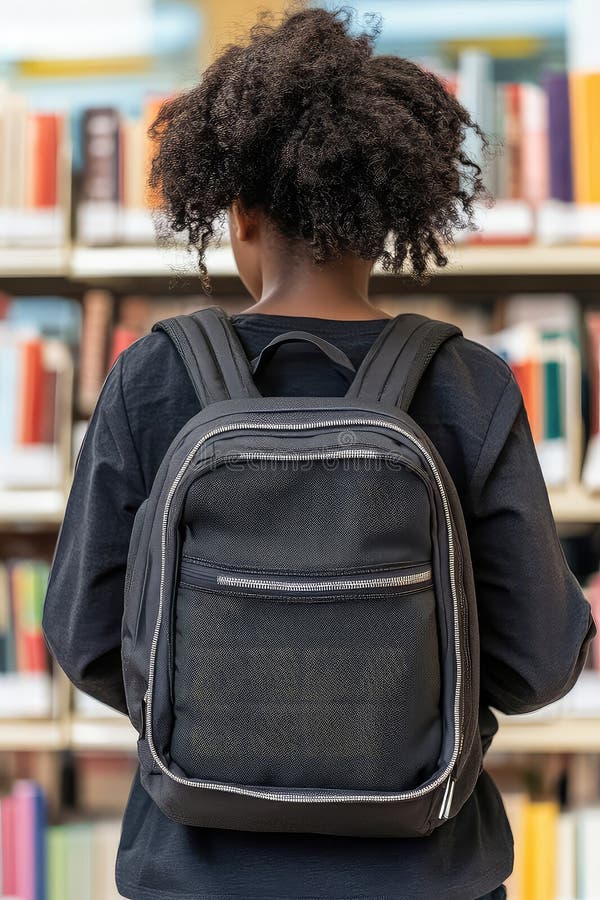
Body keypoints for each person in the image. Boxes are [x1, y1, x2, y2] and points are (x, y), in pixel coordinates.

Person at [42, 6, 595, 899]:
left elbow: (82, 634)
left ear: (239, 210)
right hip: (428, 871)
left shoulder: (152, 378)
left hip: (196, 866)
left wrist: (218, 701)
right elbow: (537, 663)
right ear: (389, 219)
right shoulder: (469, 383)